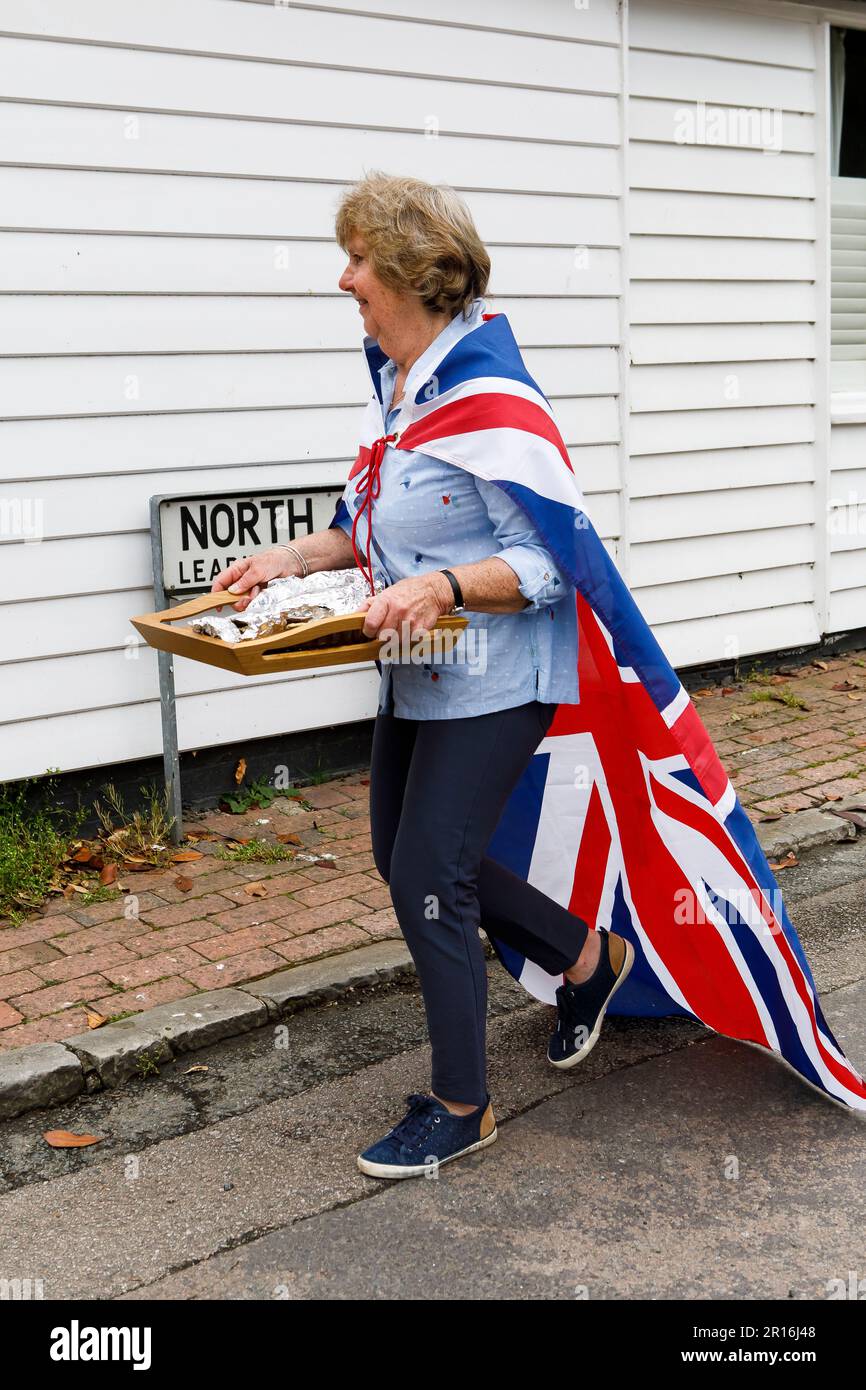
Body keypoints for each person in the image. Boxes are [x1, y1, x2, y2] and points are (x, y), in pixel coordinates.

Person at [213, 172, 634, 1180]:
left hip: (498, 671)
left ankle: (461, 1103)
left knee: (427, 875)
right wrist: (288, 560)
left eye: (358, 259)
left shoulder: (493, 399)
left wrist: (442, 585)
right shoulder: (404, 388)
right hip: (417, 663)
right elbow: (369, 529)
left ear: (409, 271)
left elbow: (548, 563)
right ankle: (587, 957)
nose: (344, 279)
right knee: (401, 854)